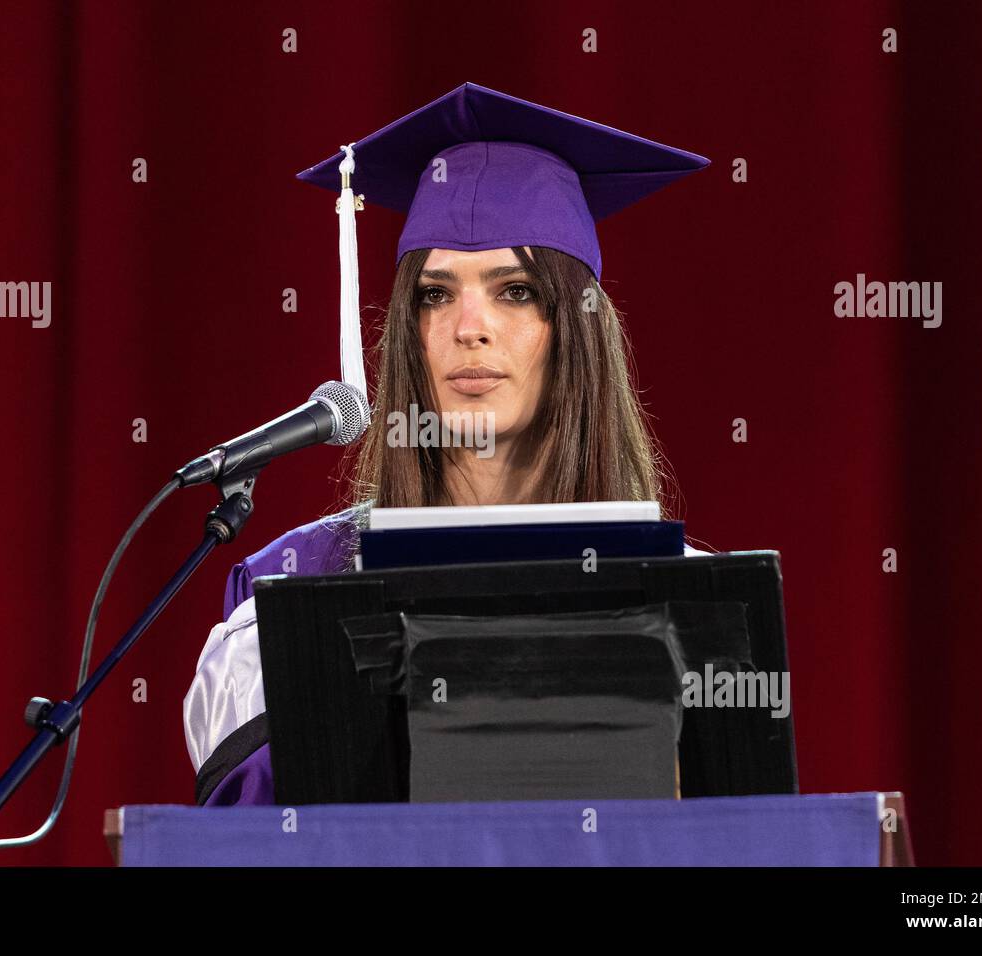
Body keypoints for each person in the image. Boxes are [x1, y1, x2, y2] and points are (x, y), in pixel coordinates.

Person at [183, 82, 711, 805]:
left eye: (516, 290)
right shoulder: (294, 584)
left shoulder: (687, 591)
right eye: (435, 294)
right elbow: (244, 841)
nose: (469, 326)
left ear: (577, 333)